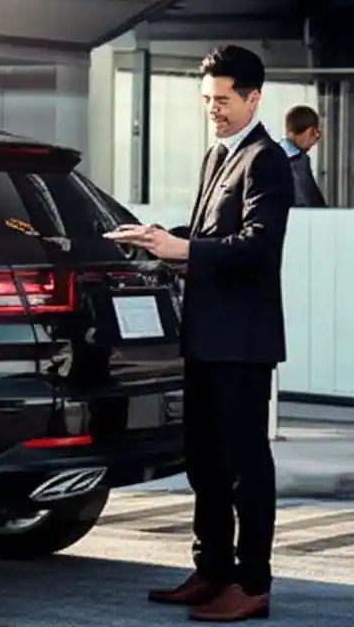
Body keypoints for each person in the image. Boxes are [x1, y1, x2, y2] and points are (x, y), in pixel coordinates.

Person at [105, 45, 292, 622]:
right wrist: (159, 238)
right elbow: (212, 235)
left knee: (245, 464)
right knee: (204, 461)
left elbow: (257, 246)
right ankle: (212, 570)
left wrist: (182, 248)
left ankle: (252, 583)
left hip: (242, 343)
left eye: (223, 99)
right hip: (206, 335)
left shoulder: (266, 160)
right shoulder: (218, 155)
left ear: (254, 99)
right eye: (207, 99)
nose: (213, 109)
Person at [280, 105, 327, 208]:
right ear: (311, 131)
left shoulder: (273, 154)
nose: (316, 139)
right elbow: (306, 204)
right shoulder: (297, 163)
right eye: (317, 132)